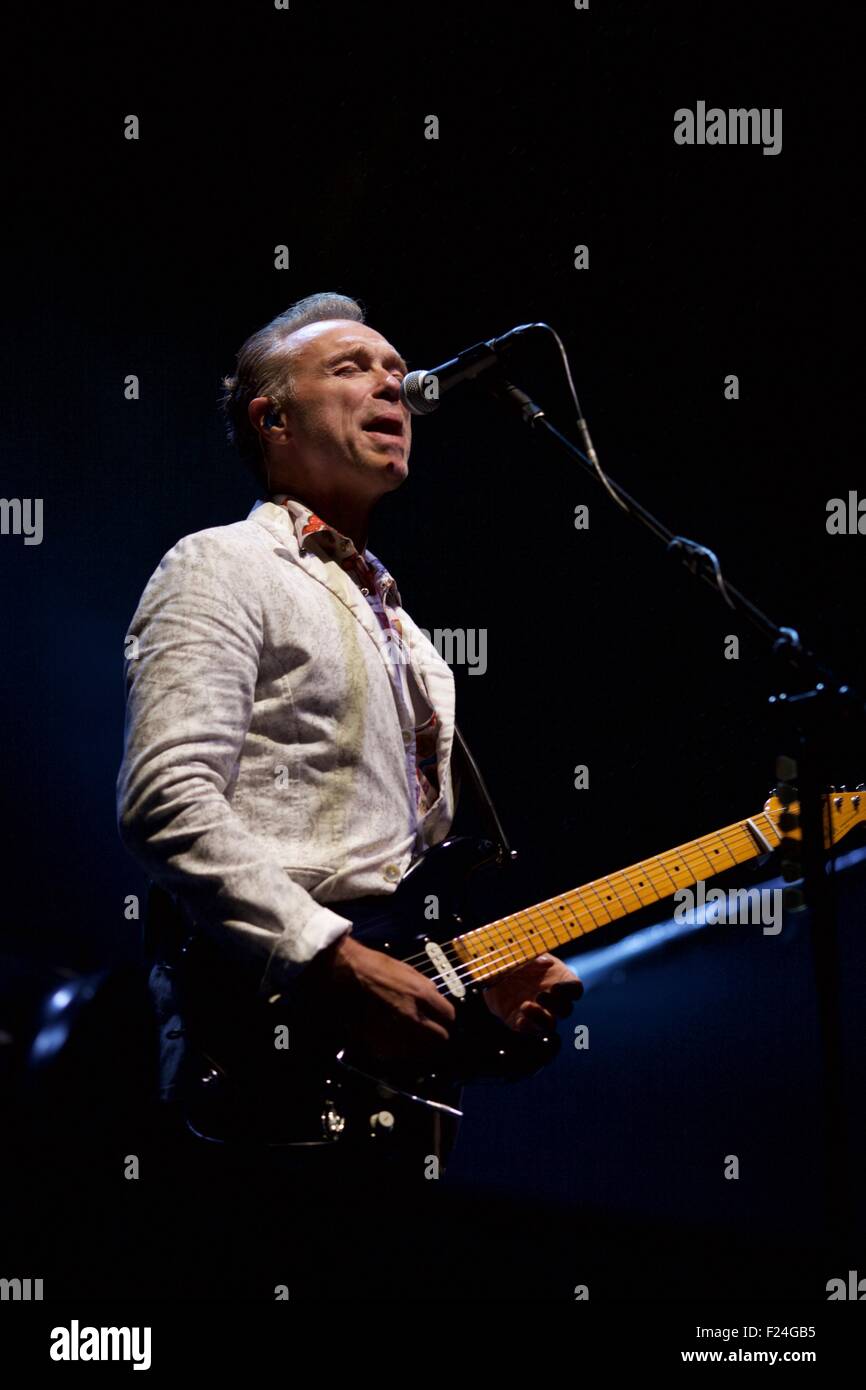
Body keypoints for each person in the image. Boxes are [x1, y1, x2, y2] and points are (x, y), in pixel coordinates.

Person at [115, 291, 583, 1298]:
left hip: (384, 1100)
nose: (392, 382)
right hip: (255, 1062)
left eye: (395, 365)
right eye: (350, 366)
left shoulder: (410, 638)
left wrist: (471, 991)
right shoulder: (220, 566)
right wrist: (332, 958)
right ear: (270, 420)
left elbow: (406, 891)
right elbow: (165, 798)